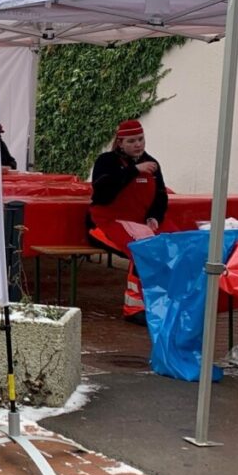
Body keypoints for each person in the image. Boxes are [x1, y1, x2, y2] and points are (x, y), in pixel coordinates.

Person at [87, 118, 170, 324]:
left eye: (140, 139)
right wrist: (134, 171)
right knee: (141, 250)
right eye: (131, 141)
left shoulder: (153, 163)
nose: (138, 144)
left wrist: (154, 217)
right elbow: (103, 192)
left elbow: (161, 196)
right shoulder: (106, 161)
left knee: (171, 245)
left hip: (141, 221)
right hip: (107, 220)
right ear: (120, 143)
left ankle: (163, 303)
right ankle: (133, 308)